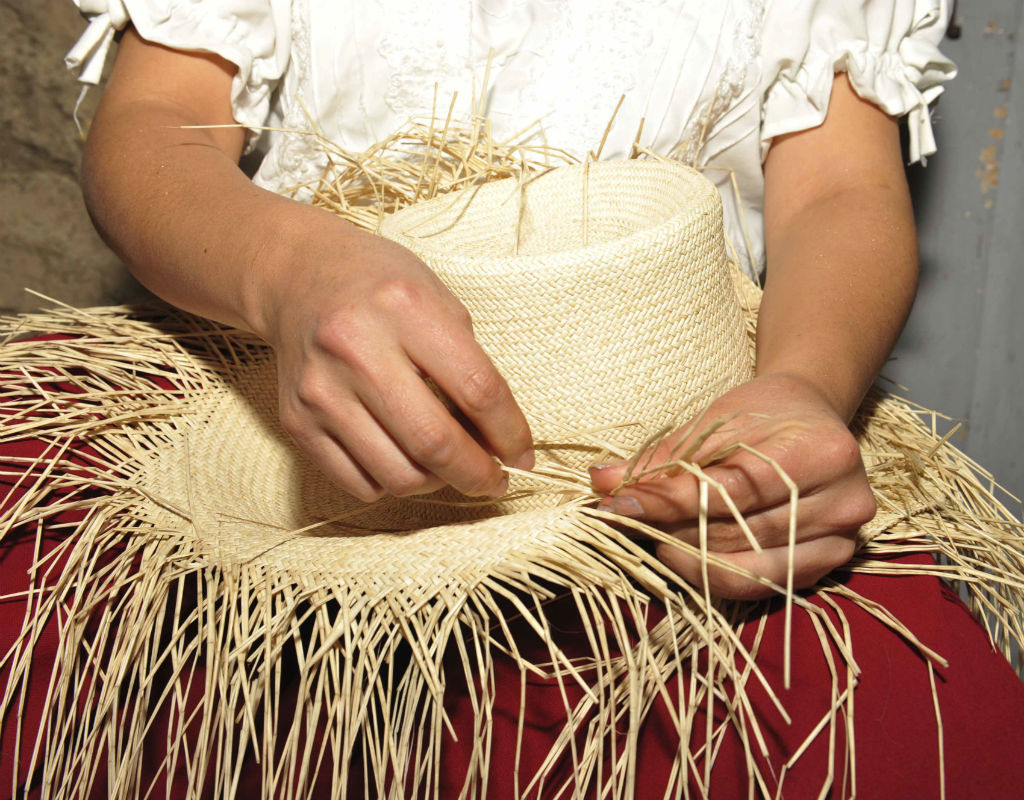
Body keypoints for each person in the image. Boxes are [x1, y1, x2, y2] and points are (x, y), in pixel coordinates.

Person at [3, 1, 1023, 797]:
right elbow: (156, 126)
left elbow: (841, 189)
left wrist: (799, 384)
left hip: (674, 432)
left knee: (929, 726)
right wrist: (285, 270)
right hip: (289, 376)